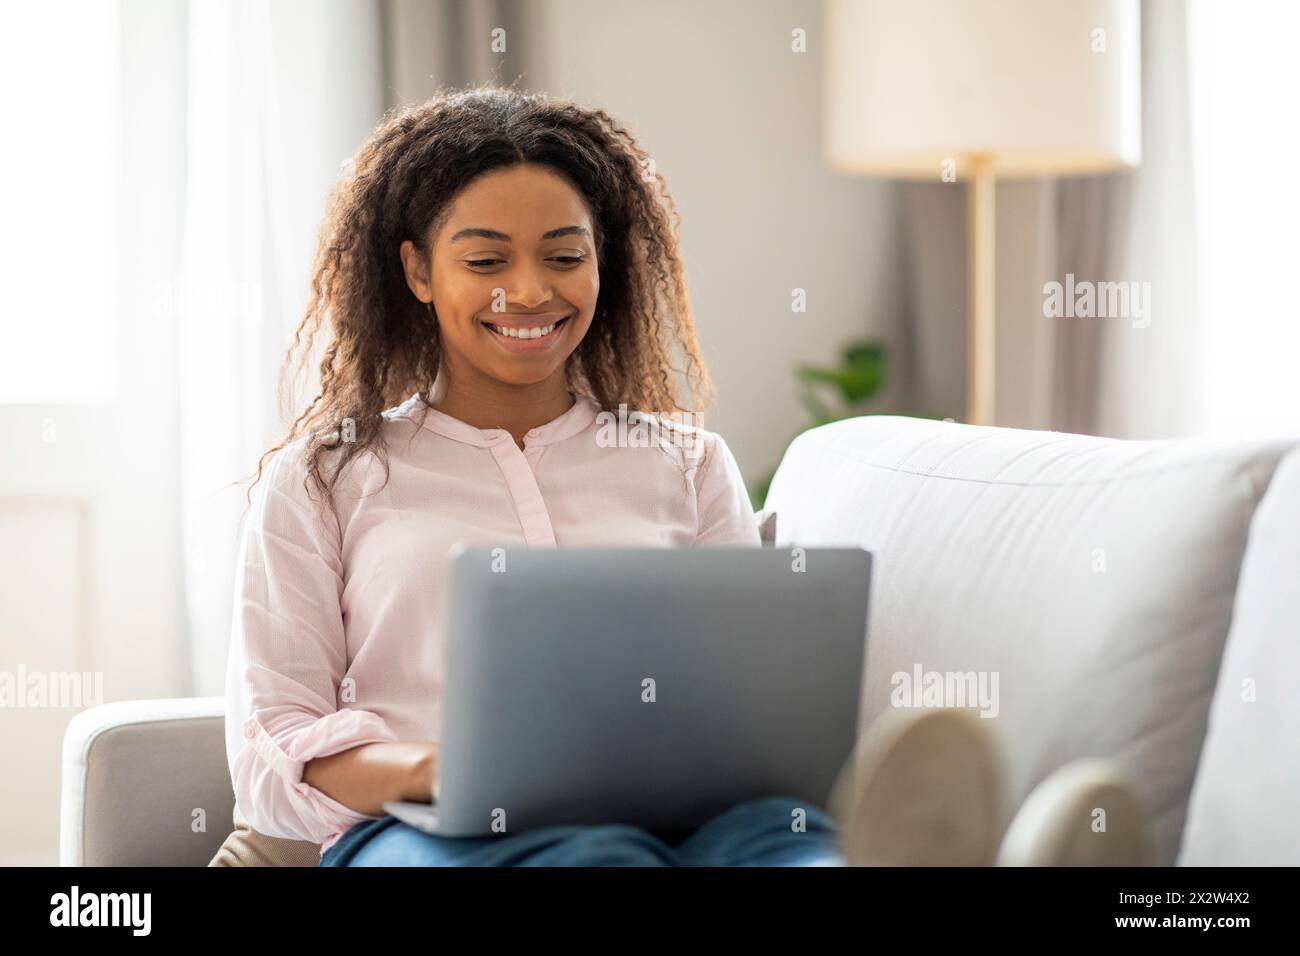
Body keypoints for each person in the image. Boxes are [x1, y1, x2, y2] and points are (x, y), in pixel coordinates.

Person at [224, 84, 845, 867]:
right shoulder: (325, 479)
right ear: (418, 271)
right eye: (485, 259)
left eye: (564, 256)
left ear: (600, 264)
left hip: (680, 814)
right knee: (597, 863)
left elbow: (748, 701)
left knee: (802, 852)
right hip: (425, 831)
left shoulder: (685, 464)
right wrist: (438, 770)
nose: (528, 291)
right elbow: (272, 749)